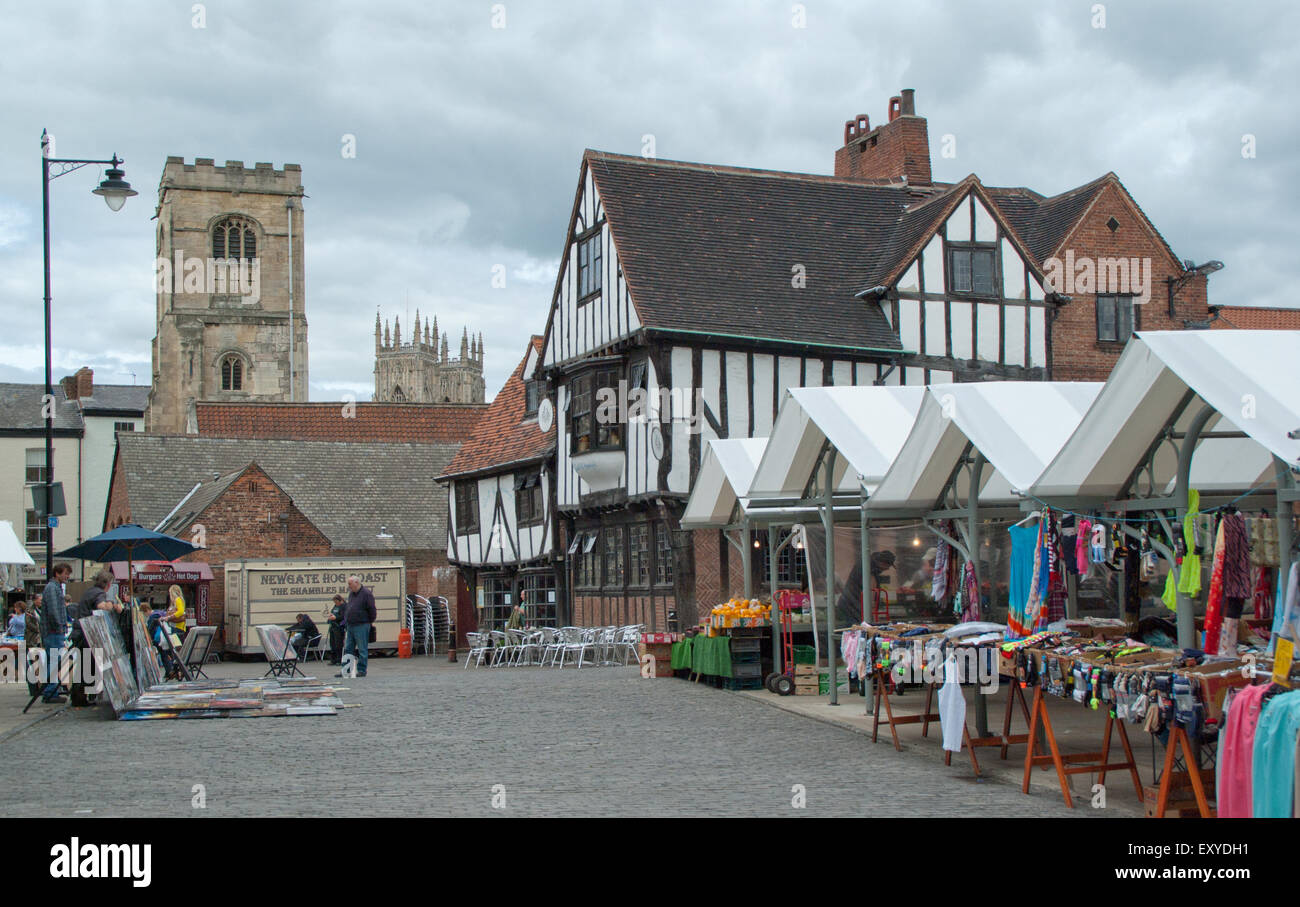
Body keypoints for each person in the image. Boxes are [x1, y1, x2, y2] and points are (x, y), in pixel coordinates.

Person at [68, 571, 111, 707]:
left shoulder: (90, 591)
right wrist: (112, 605)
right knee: (87, 666)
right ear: (108, 584)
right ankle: (79, 697)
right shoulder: (99, 593)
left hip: (80, 631)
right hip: (86, 634)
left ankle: (79, 696)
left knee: (84, 665)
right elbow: (101, 606)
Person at [39, 563, 72, 703]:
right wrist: (60, 626)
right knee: (54, 661)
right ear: (57, 573)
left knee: (52, 661)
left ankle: (51, 690)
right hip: (53, 631)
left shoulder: (56, 587)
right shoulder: (52, 588)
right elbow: (53, 611)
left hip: (53, 631)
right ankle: (50, 692)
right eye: (65, 573)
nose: (67, 576)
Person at [337, 575, 376, 678]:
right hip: (350, 625)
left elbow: (372, 609)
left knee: (362, 649)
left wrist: (368, 622)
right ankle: (346, 670)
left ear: (356, 583)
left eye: (350, 584)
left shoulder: (366, 594)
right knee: (348, 648)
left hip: (361, 625)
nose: (349, 586)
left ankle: (362, 670)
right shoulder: (351, 594)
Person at [326, 594, 346, 665]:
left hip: (339, 627)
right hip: (333, 626)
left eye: (336, 601)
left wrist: (336, 618)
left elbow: (343, 616)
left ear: (339, 600)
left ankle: (339, 659)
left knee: (338, 644)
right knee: (332, 643)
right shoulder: (335, 606)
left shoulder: (343, 606)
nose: (335, 603)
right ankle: (333, 659)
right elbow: (333, 612)